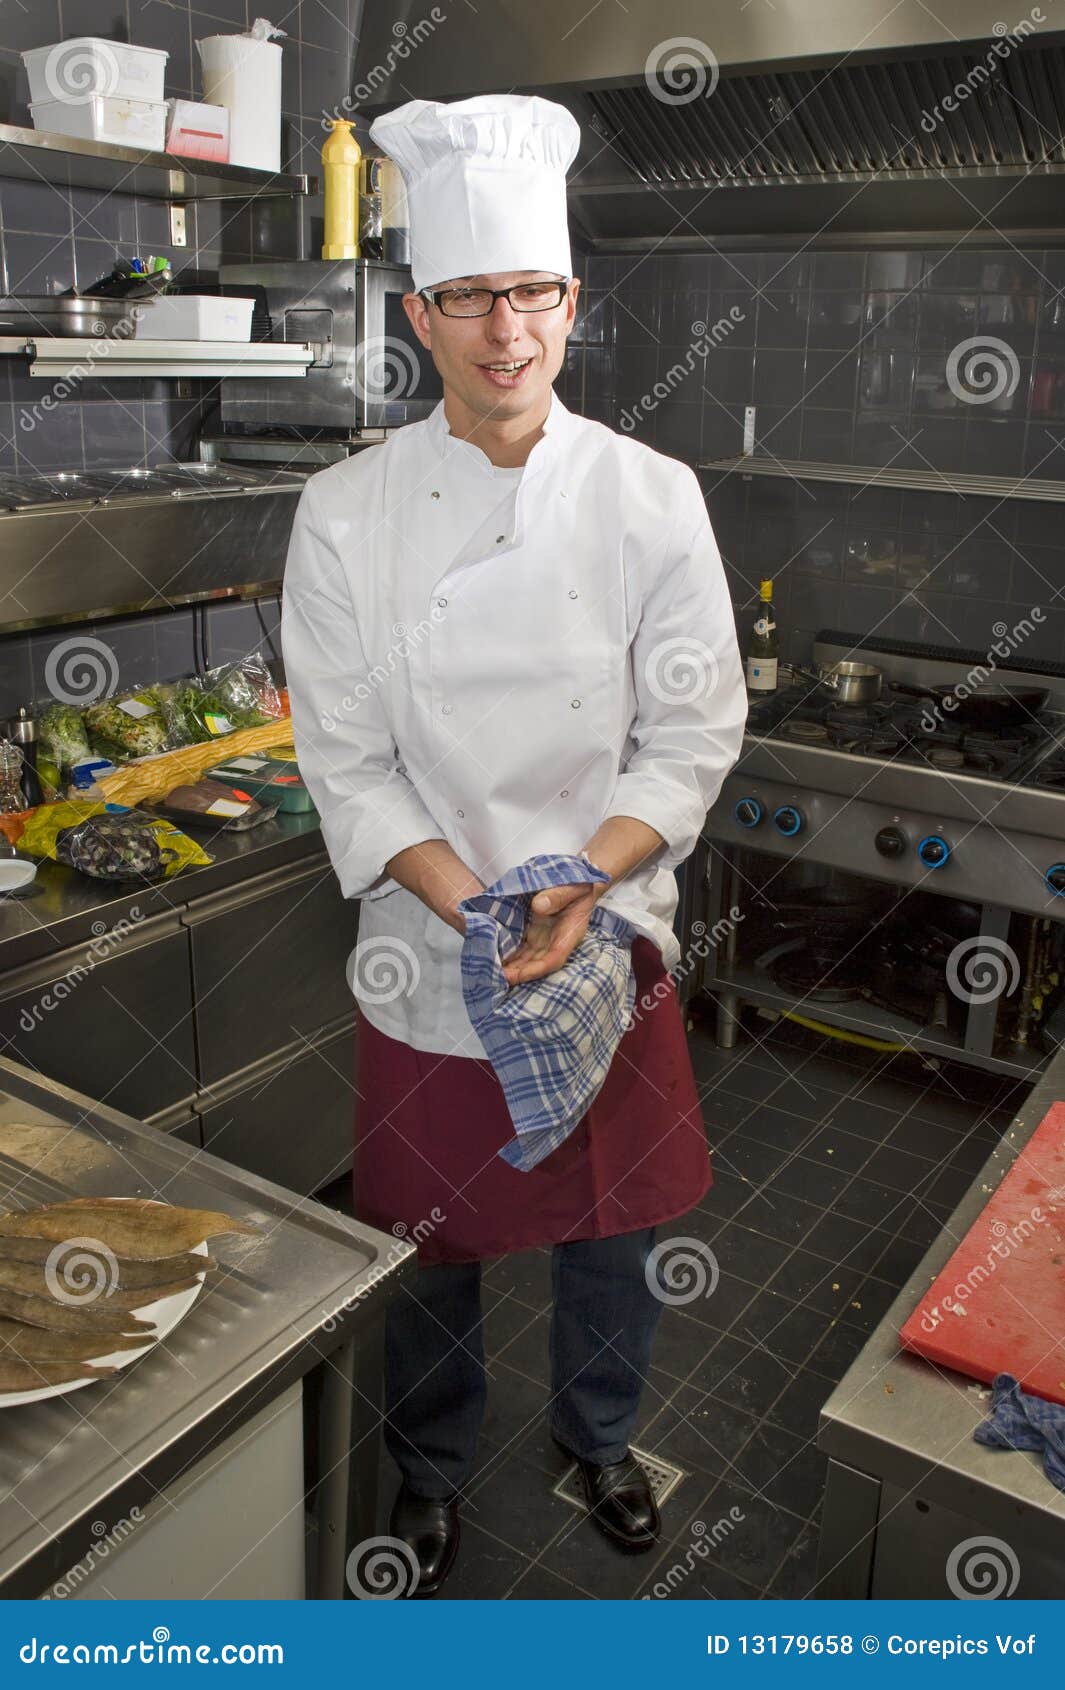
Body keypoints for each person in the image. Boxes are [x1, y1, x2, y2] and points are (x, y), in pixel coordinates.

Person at [281, 92, 746, 1597]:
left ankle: (600, 1437)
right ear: (420, 315)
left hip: (607, 922)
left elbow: (690, 730)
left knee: (618, 1228)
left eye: (532, 293)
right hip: (435, 945)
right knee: (436, 1239)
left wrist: (580, 883)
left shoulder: (650, 496)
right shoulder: (344, 513)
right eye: (471, 296)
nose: (506, 331)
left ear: (571, 304)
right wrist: (481, 906)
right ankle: (427, 1468)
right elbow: (348, 761)